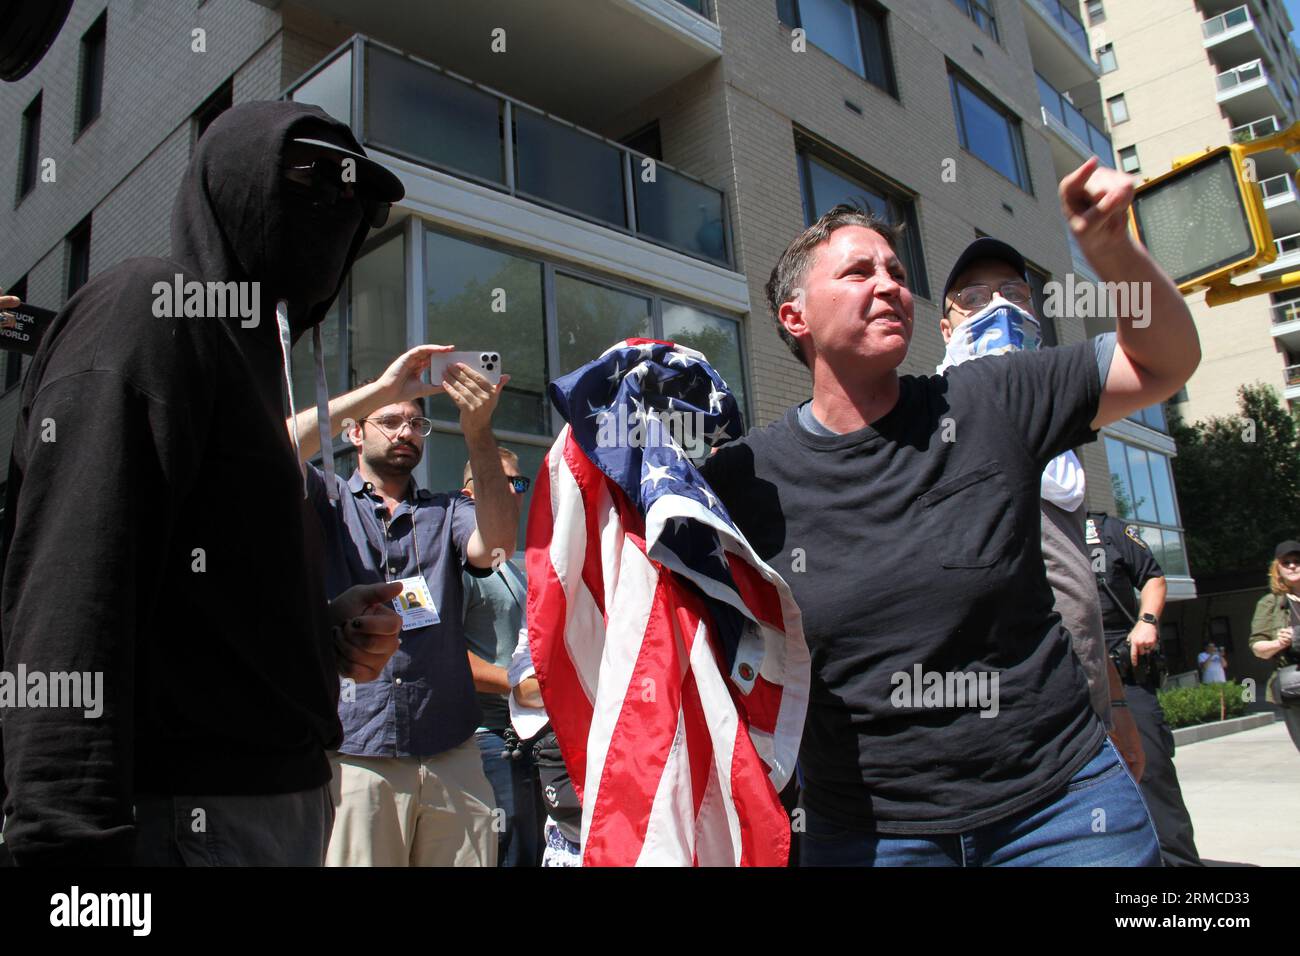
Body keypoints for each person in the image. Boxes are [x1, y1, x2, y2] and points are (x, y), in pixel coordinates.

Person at [699, 156, 1198, 866]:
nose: (889, 286)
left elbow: (1164, 364)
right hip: (868, 835)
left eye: (898, 274)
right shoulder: (743, 480)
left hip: (1063, 811)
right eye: (858, 273)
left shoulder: (991, 398)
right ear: (794, 316)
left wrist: (1115, 251)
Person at [0, 101, 405, 866]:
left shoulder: (255, 369)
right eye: (314, 178)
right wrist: (67, 857)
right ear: (233, 181)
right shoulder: (147, 312)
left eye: (363, 200)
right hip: (181, 822)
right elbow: (69, 600)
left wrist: (324, 635)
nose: (340, 209)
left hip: (278, 811)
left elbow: (200, 616)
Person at [286, 347, 517, 867]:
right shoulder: (326, 498)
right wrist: (387, 388)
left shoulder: (447, 509)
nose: (405, 431)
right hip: (357, 751)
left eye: (416, 423)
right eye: (389, 420)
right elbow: (272, 446)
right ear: (353, 432)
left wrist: (478, 431)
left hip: (451, 751)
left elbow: (497, 543)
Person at [936, 236, 1145, 782]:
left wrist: (1116, 705)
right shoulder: (931, 424)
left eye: (1013, 294)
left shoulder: (1061, 444)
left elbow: (1081, 595)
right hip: (1004, 745)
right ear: (946, 326)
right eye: (975, 299)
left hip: (1087, 719)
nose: (1000, 308)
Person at [1087, 509, 1201, 866]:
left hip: (1123, 657)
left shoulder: (1108, 530)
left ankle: (1177, 862)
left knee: (1151, 770)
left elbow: (1153, 578)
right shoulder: (1025, 523)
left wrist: (1147, 622)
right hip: (1063, 663)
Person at [460, 451, 544, 867]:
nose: (512, 490)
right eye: (499, 480)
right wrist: (520, 684)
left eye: (518, 482)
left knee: (532, 855)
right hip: (486, 738)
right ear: (468, 495)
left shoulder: (519, 567)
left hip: (528, 737)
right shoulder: (463, 565)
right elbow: (445, 657)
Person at [1249, 539, 1300, 752]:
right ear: (1277, 568)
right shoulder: (1270, 603)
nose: (1292, 566)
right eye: (1285, 562)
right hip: (1296, 686)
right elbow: (1257, 647)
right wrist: (1280, 642)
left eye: (1297, 561)